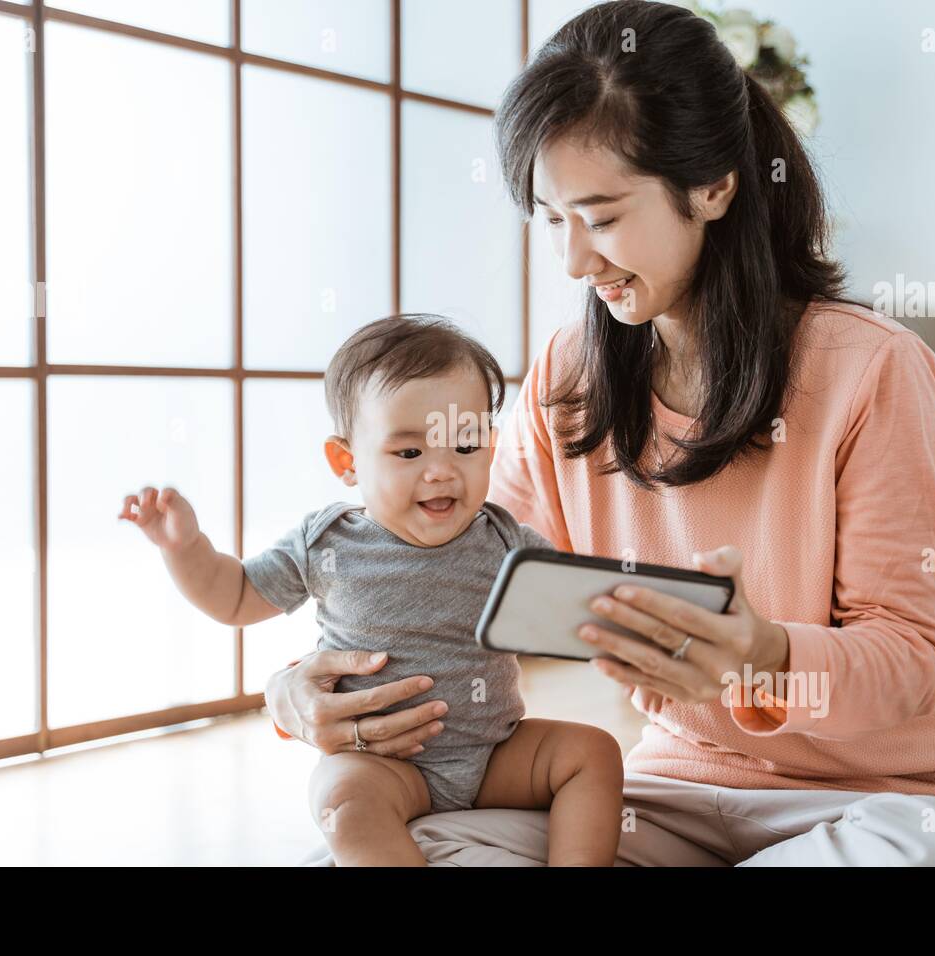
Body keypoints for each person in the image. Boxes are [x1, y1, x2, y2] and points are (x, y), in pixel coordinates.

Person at [269, 0, 935, 866]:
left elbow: (909, 658)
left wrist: (766, 657)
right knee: (382, 848)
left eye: (599, 216)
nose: (572, 260)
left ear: (712, 186)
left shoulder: (874, 369)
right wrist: (294, 688)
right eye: (552, 218)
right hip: (669, 794)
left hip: (892, 803)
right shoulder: (569, 373)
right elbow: (463, 568)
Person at [121, 314, 624, 866]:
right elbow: (236, 597)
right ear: (347, 462)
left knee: (592, 753)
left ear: (490, 447)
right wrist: (185, 549)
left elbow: (580, 604)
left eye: (464, 446)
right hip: (387, 763)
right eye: (409, 454)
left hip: (495, 751)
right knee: (341, 799)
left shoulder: (504, 538)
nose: (440, 472)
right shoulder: (327, 542)